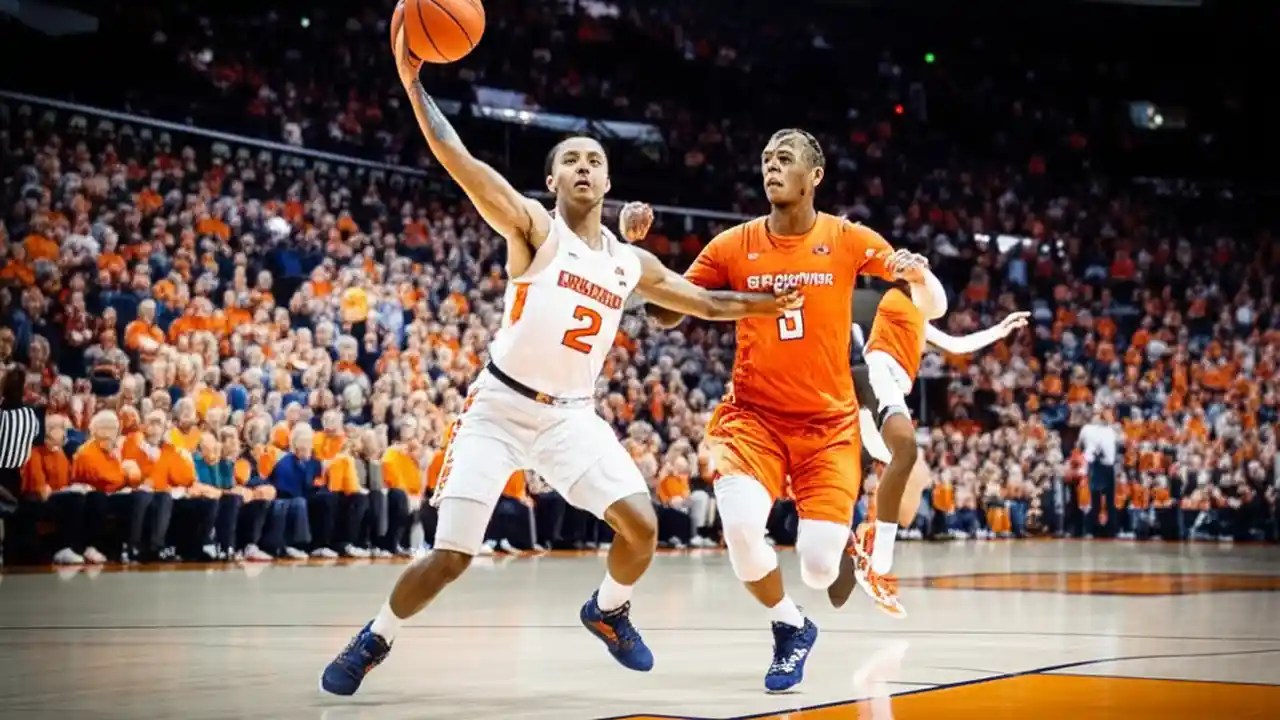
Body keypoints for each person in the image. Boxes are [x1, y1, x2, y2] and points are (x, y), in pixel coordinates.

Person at [319, 25, 803, 697]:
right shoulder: (534, 230)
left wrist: (773, 302)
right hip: (497, 409)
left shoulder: (628, 261)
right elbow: (461, 161)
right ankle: (376, 636)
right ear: (550, 179)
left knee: (642, 525)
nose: (582, 166)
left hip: (570, 418)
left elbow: (705, 303)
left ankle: (607, 611)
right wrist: (413, 85)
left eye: (593, 159)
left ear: (608, 179)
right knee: (452, 555)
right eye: (570, 158)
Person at [646, 129, 944, 692]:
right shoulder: (732, 245)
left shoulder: (848, 239)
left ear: (815, 176)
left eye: (785, 159)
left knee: (818, 568)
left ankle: (843, 545)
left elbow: (920, 291)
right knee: (738, 528)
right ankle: (789, 626)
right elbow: (673, 311)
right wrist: (650, 283)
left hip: (828, 428)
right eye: (765, 159)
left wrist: (917, 273)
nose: (771, 167)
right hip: (752, 418)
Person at [828, 284, 1029, 617]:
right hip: (868, 386)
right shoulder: (892, 304)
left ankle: (864, 543)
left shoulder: (914, 316)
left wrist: (1000, 329)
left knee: (908, 475)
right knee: (903, 462)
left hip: (871, 396)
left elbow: (957, 344)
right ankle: (873, 557)